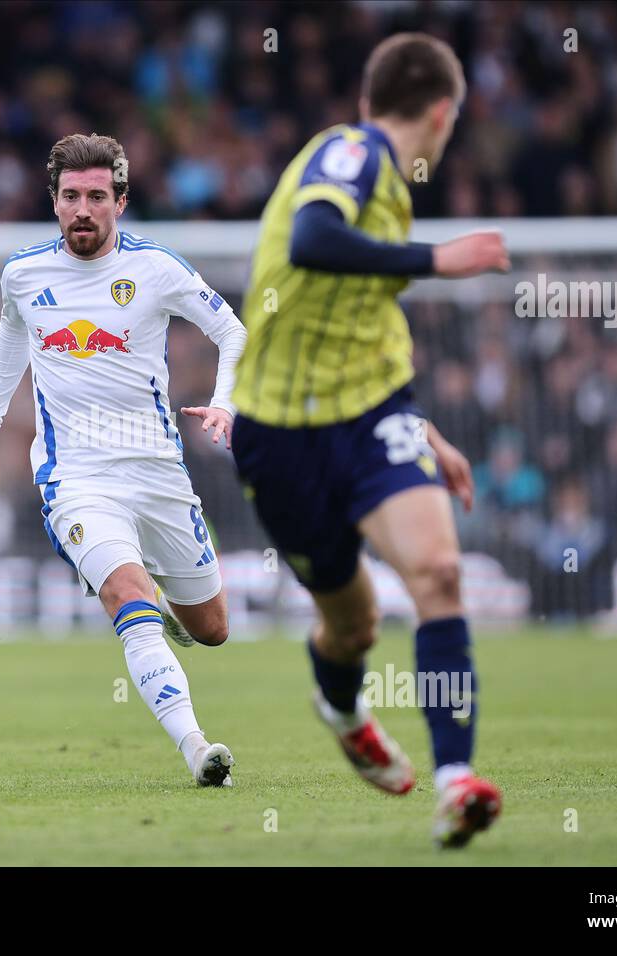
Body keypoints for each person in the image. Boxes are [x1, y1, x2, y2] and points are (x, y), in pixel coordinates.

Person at [230, 34, 510, 847]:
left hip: (371, 419)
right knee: (352, 627)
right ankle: (343, 708)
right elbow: (313, 241)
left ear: (367, 94)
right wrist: (439, 259)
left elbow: (355, 321)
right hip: (280, 434)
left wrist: (421, 429)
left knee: (439, 572)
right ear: (443, 115)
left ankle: (455, 782)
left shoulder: (387, 186)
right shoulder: (352, 153)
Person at [0, 133, 247, 788]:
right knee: (127, 595)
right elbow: (12, 334)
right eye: (71, 196)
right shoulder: (23, 274)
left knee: (212, 629)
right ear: (54, 201)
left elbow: (231, 329)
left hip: (157, 471)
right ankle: (196, 748)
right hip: (76, 477)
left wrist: (223, 403)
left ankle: (164, 597)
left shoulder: (156, 269)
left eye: (96, 196)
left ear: (120, 202)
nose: (82, 209)